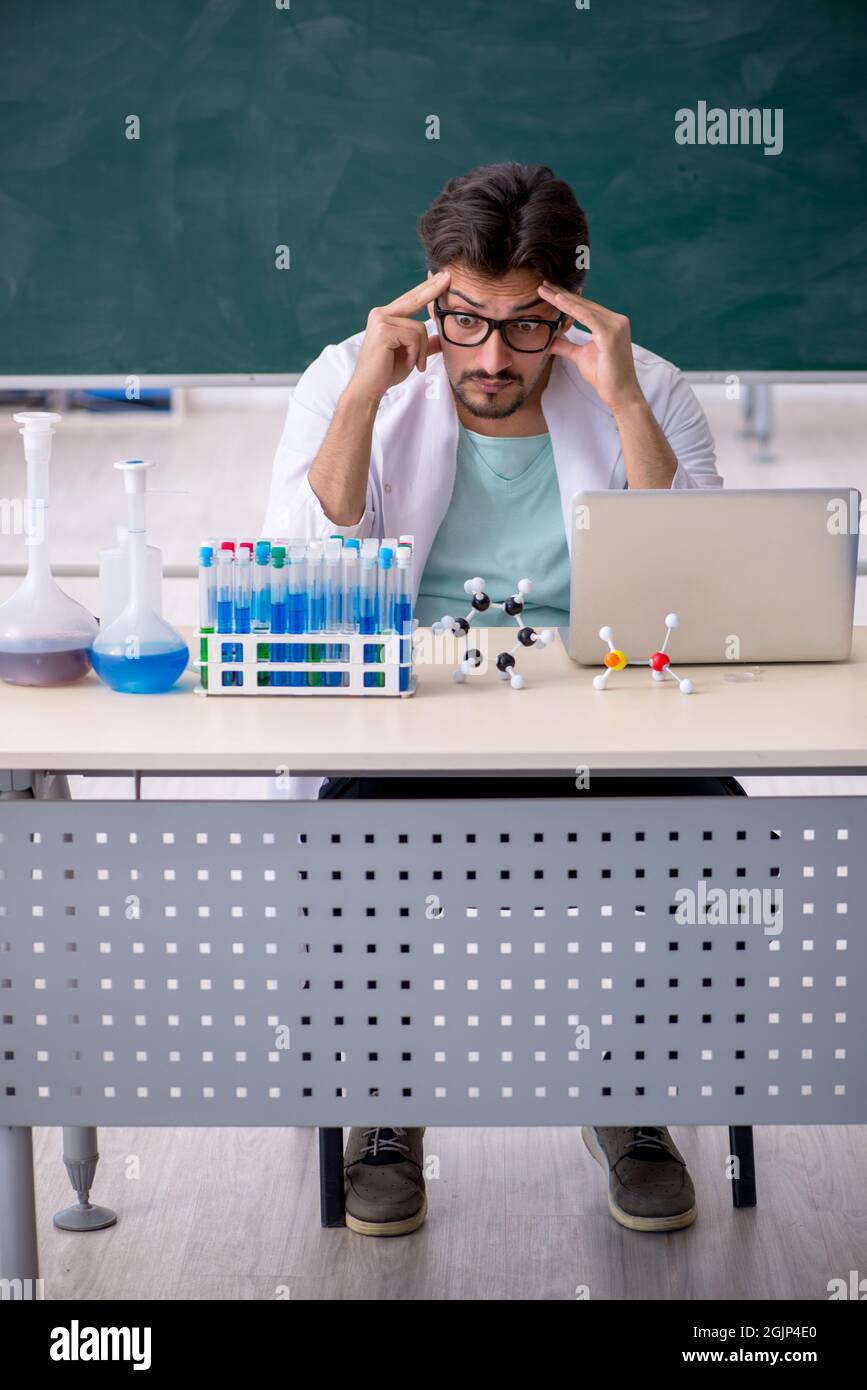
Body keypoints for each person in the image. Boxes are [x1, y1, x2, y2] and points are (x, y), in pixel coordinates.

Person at [263, 162, 739, 1238]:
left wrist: (620, 401)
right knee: (349, 846)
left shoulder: (644, 386)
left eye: (526, 328)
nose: (488, 357)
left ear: (569, 307)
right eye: (465, 320)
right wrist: (360, 396)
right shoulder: (353, 376)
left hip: (607, 731)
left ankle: (630, 1093)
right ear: (432, 290)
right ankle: (383, 1110)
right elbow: (296, 570)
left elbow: (702, 595)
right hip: (409, 725)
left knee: (727, 838)